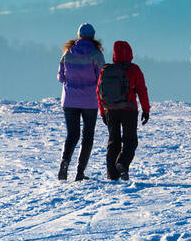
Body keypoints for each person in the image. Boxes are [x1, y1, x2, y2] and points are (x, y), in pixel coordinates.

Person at [96, 40, 151, 181]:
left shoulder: (105, 70)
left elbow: (99, 92)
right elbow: (142, 91)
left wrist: (103, 112)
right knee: (130, 140)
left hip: (110, 110)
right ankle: (122, 163)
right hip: (129, 110)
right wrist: (146, 110)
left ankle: (112, 174)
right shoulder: (134, 69)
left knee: (113, 141)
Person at [57, 23, 105, 180]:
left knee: (72, 134)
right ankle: (80, 172)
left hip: (69, 100)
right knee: (88, 135)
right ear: (92, 36)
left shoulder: (67, 53)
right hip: (90, 100)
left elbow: (61, 77)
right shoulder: (96, 54)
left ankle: (64, 164)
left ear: (78, 35)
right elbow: (102, 77)